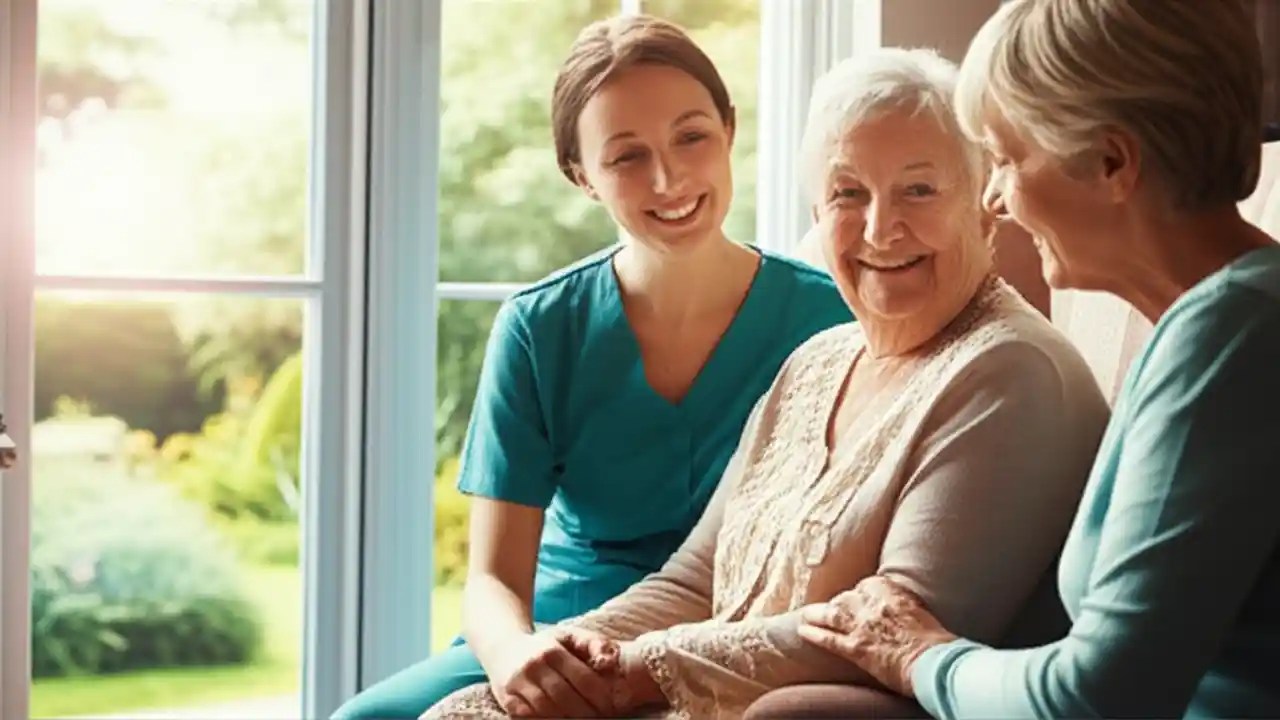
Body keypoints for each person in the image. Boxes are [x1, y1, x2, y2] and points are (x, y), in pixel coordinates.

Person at [422, 46, 1109, 720]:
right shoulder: (816, 361)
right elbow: (695, 579)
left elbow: (894, 628)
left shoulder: (1012, 372)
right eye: (847, 192)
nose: (879, 227)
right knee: (463, 711)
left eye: (919, 189)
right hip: (684, 692)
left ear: (985, 202)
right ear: (817, 213)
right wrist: (575, 657)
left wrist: (634, 671)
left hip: (775, 707)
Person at [330, 14, 852, 720]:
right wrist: (517, 657)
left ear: (729, 131)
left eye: (691, 137)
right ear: (581, 176)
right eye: (625, 156)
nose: (668, 178)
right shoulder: (539, 328)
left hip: (739, 629)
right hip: (559, 634)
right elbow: (490, 579)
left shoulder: (831, 316)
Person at [782, 1, 1280, 718]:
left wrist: (922, 656)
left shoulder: (1231, 337)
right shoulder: (1206, 322)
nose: (995, 198)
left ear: (1112, 163)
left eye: (1008, 159)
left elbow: (1094, 698)